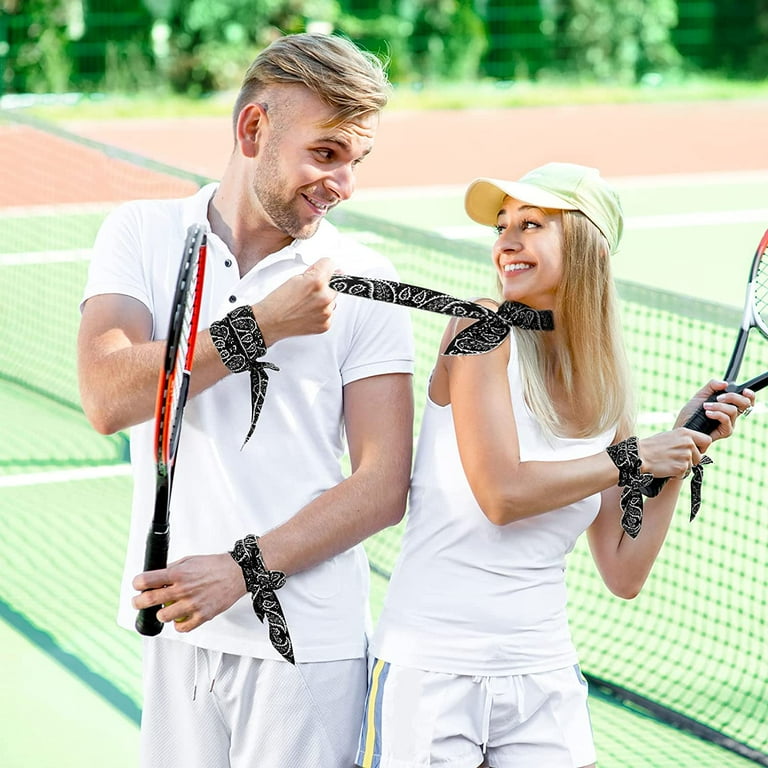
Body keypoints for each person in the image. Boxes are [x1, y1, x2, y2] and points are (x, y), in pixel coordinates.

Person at [77, 33, 415, 768]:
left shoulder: (367, 277)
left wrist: (242, 570)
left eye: (356, 161)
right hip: (177, 628)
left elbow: (383, 485)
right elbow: (107, 396)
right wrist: (259, 327)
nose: (344, 184)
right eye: (326, 153)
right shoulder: (142, 232)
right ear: (254, 129)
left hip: (306, 647)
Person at [355, 162, 755, 768]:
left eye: (532, 224)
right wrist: (633, 457)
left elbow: (624, 570)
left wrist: (677, 455)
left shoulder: (608, 391)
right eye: (502, 226)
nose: (506, 242)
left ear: (587, 244)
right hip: (430, 672)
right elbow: (502, 494)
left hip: (542, 676)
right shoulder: (480, 329)